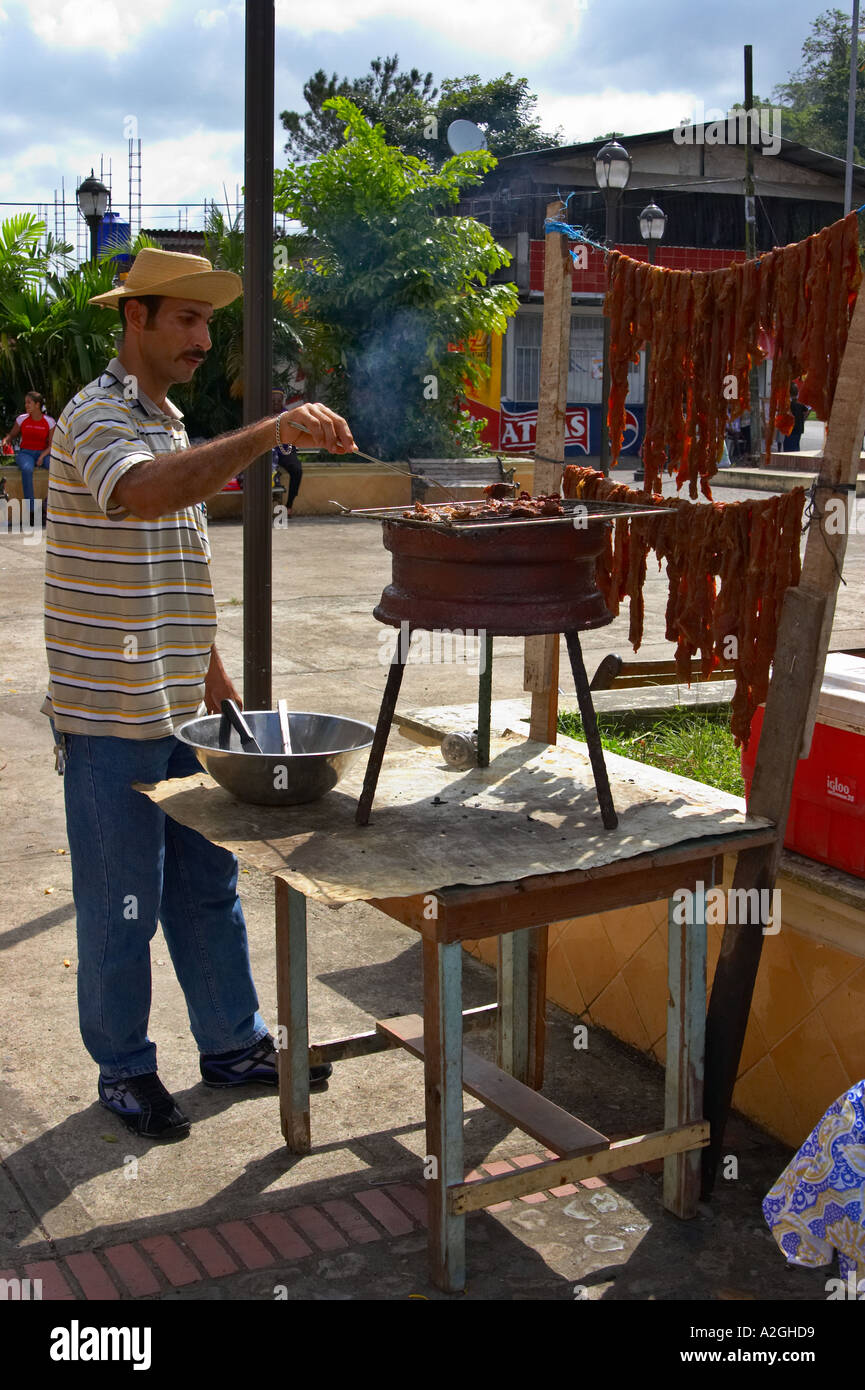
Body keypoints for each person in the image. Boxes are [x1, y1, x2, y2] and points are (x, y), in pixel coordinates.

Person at [44, 247, 355, 1139]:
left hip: (183, 709)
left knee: (206, 886)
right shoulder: (98, 415)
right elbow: (138, 497)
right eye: (185, 318)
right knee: (122, 904)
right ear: (134, 318)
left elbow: (176, 578)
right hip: (110, 717)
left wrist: (218, 692)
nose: (203, 338)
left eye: (209, 322)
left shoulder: (172, 423)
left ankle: (233, 1043)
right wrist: (270, 430)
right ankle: (125, 1069)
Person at [3, 391, 55, 524]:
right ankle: (31, 511)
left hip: (44, 452)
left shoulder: (49, 422)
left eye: (29, 402)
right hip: (26, 453)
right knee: (27, 469)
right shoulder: (21, 419)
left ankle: (49, 503)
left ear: (37, 405)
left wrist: (42, 456)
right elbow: (12, 435)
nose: (26, 405)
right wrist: (6, 440)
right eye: (26, 402)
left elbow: (52, 445)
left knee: (55, 468)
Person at [271, 386, 304, 515]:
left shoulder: (288, 416)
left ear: (282, 401)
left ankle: (289, 506)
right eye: (273, 401)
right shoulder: (264, 415)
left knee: (297, 470)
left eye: (278, 401)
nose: (275, 404)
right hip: (268, 451)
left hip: (284, 450)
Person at [783, 382, 808, 452]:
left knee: (789, 447)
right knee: (796, 445)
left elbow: (787, 414)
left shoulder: (788, 404)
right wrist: (803, 419)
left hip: (791, 429)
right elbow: (807, 410)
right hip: (799, 428)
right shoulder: (799, 403)